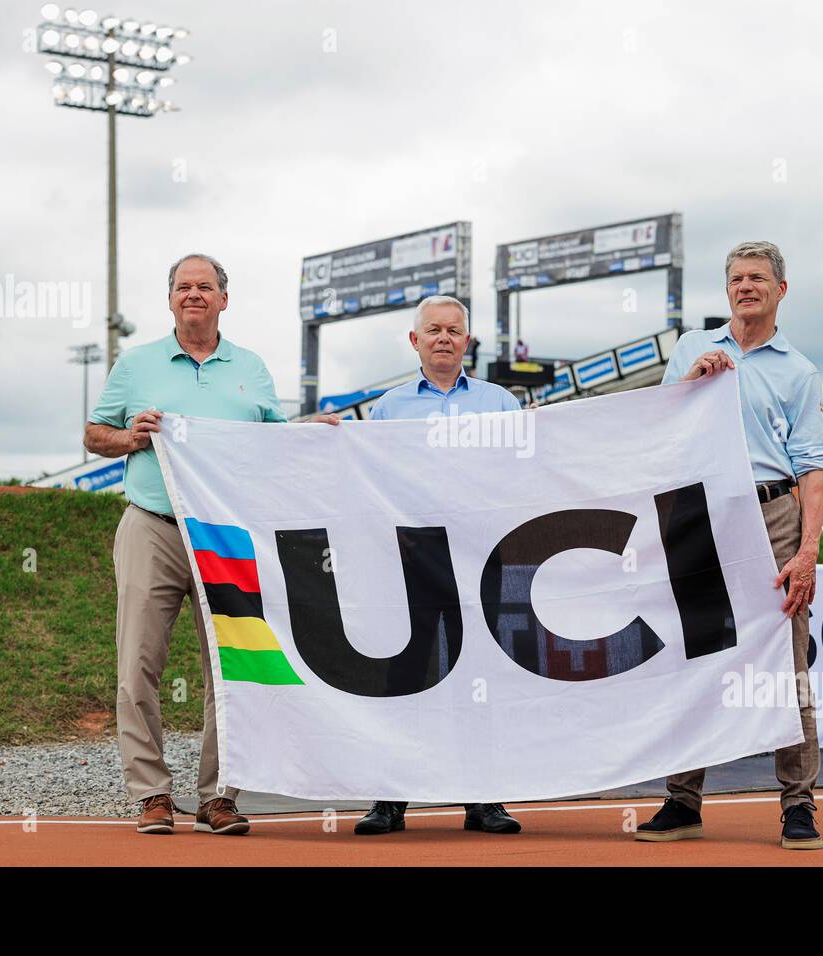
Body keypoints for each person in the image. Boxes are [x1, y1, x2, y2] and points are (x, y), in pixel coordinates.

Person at [85, 253, 339, 836]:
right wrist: (130, 437)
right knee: (137, 666)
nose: (193, 294)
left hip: (225, 535)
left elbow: (271, 441)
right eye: (182, 287)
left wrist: (308, 435)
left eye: (204, 287)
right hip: (153, 526)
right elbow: (93, 434)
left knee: (231, 670)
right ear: (169, 299)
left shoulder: (249, 367)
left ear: (224, 299)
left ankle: (217, 796)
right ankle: (151, 794)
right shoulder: (137, 364)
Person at [639, 240, 823, 850]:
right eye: (737, 278)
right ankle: (682, 801)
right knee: (694, 655)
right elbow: (654, 426)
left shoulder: (799, 371)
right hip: (699, 512)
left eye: (758, 278)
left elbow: (812, 466)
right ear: (727, 290)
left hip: (772, 513)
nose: (746, 286)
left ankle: (798, 806)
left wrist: (808, 551)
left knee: (787, 661)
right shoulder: (694, 348)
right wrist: (693, 382)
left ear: (781, 290)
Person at [356, 294, 524, 837]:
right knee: (405, 675)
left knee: (480, 676)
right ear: (415, 340)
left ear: (467, 341)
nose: (445, 338)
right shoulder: (388, 408)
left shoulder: (501, 404)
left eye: (454, 330)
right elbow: (363, 477)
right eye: (434, 330)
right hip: (414, 556)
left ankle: (483, 798)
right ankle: (390, 800)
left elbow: (528, 474)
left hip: (484, 556)